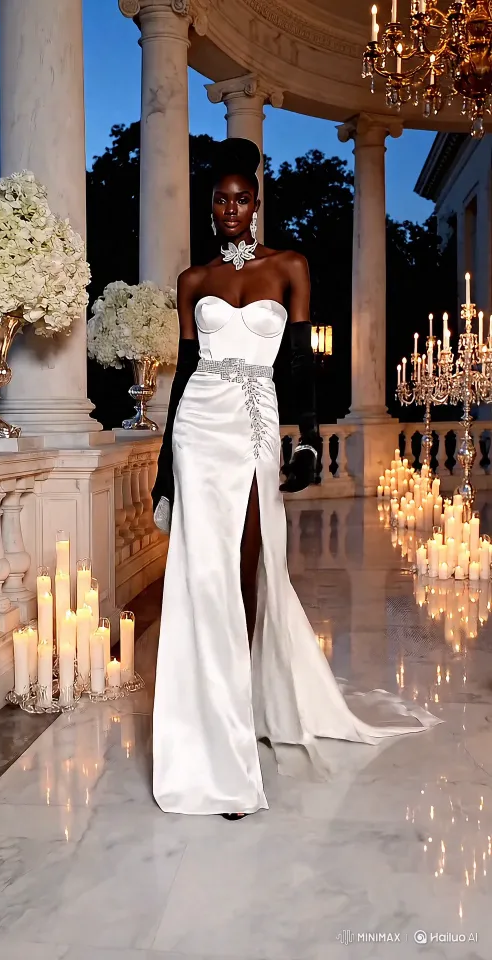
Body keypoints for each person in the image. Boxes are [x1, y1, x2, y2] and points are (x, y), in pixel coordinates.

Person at [150, 138, 440, 819]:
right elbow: (184, 378)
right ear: (210, 206)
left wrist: (308, 440)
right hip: (199, 426)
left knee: (257, 562)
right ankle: (212, 747)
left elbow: (302, 364)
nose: (230, 208)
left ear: (255, 204)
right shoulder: (193, 281)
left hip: (256, 422)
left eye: (241, 199)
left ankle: (257, 696)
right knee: (204, 575)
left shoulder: (291, 267)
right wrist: (167, 468)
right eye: (219, 199)